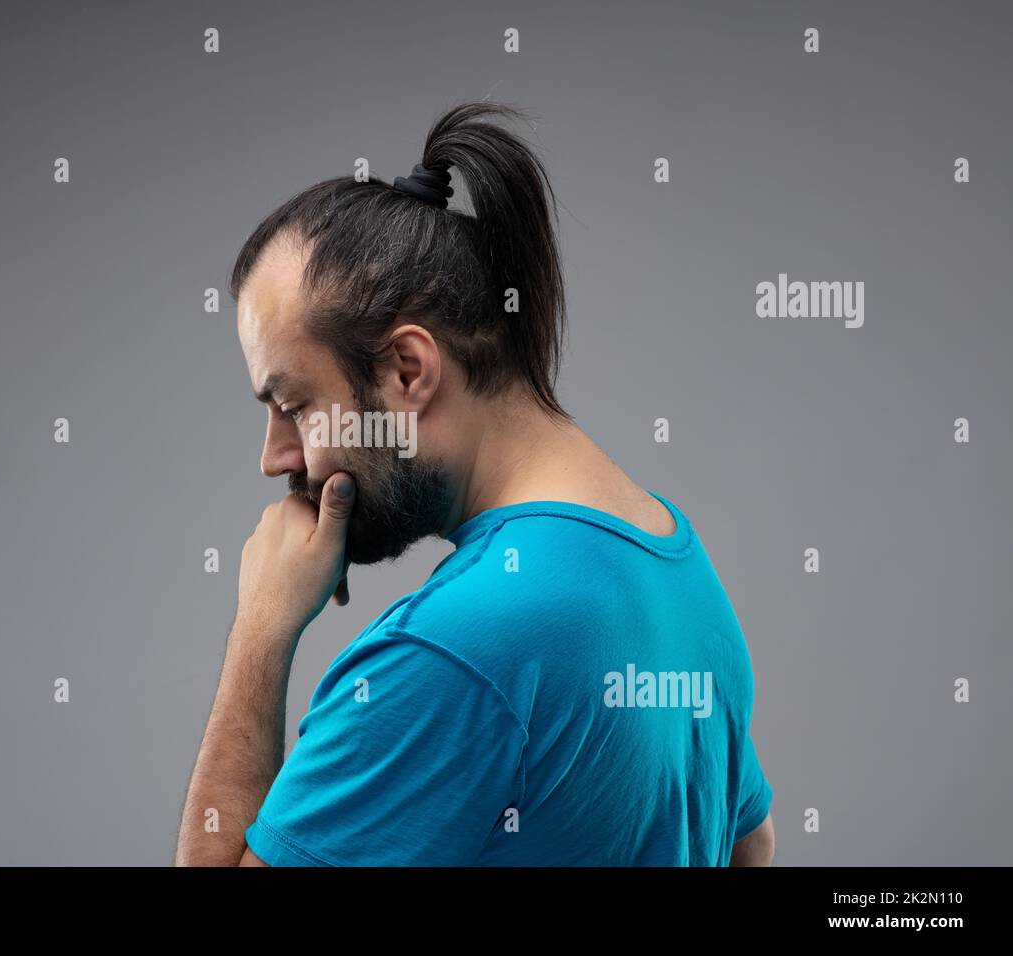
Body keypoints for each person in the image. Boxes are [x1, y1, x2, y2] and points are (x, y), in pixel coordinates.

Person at [175, 101, 775, 866]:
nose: (275, 457)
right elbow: (752, 841)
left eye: (293, 405)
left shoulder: (448, 655)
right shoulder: (675, 560)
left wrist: (261, 631)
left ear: (406, 371)